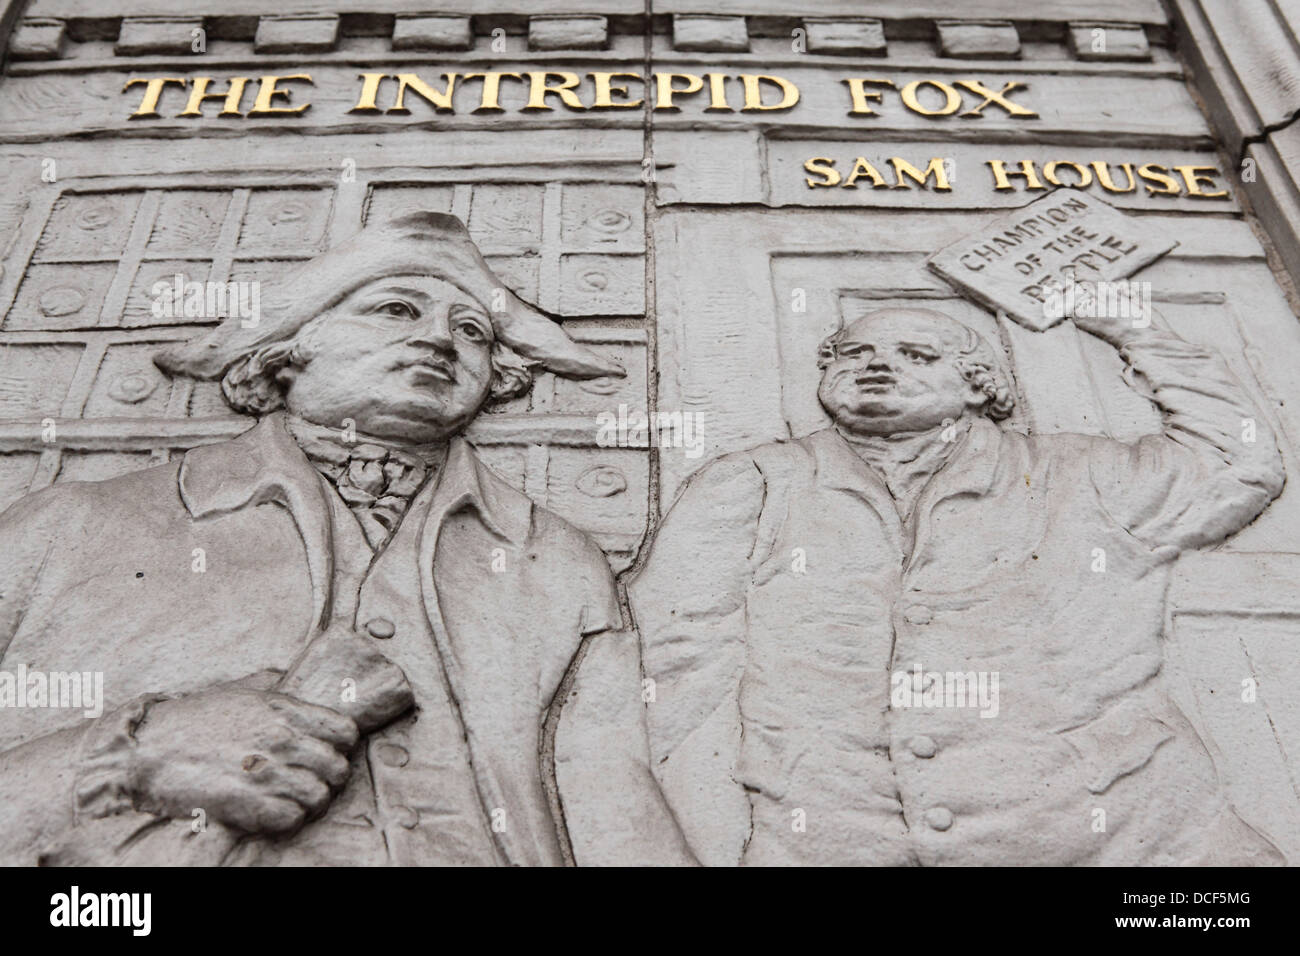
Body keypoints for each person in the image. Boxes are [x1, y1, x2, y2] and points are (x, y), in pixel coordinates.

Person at [628, 305, 1286, 865]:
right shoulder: (751, 482)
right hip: (830, 833)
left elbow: (1237, 457)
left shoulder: (1083, 473)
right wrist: (697, 824)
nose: (877, 365)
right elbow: (674, 654)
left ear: (979, 386)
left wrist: (1136, 327)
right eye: (853, 352)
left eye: (916, 354)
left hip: (1121, 827)